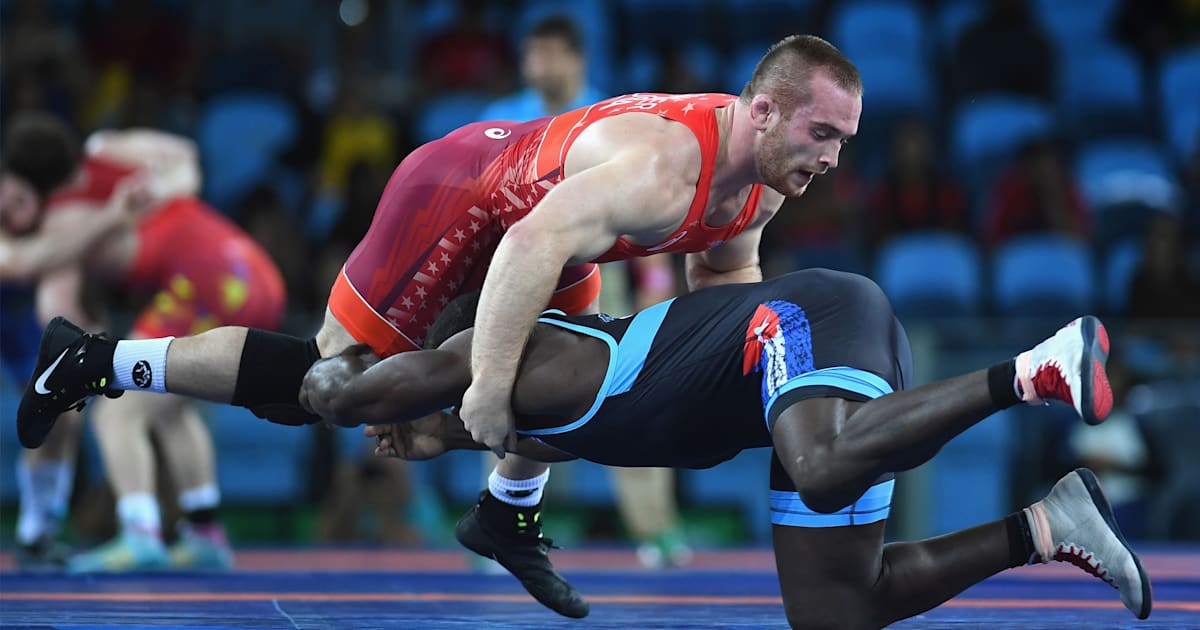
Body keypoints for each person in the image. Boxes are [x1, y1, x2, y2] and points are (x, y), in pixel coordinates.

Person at [17, 34, 860, 616]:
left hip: (545, 219)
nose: (832, 158)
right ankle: (94, 359)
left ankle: (504, 515)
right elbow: (527, 245)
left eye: (843, 140)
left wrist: (700, 369)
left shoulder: (767, 186)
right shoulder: (662, 166)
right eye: (821, 132)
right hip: (465, 192)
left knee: (582, 382)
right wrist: (486, 389)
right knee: (320, 385)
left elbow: (723, 284)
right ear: (761, 112)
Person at [42, 268, 1145, 627]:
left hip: (802, 323)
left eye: (402, 426)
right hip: (767, 376)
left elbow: (319, 386)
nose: (397, 439)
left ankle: (1030, 371)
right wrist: (507, 528)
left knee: (818, 460)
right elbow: (505, 493)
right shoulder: (513, 429)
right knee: (835, 613)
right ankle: (1048, 524)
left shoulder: (491, 360)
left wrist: (117, 364)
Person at [1, 113, 287, 572]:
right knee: (172, 405)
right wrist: (168, 186)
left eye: (13, 199)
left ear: (33, 186)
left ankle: (140, 534)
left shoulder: (62, 221)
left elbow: (35, 282)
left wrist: (118, 213)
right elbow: (185, 159)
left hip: (210, 280)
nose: (9, 211)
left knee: (118, 407)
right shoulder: (109, 156)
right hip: (250, 271)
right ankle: (204, 531)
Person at [483, 14, 689, 568]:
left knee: (632, 402)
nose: (539, 66)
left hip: (606, 270)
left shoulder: (618, 117)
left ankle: (658, 529)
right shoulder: (499, 121)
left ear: (577, 59)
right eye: (532, 54)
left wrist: (656, 286)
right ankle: (500, 524)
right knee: (504, 397)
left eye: (551, 54)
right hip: (520, 276)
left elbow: (656, 210)